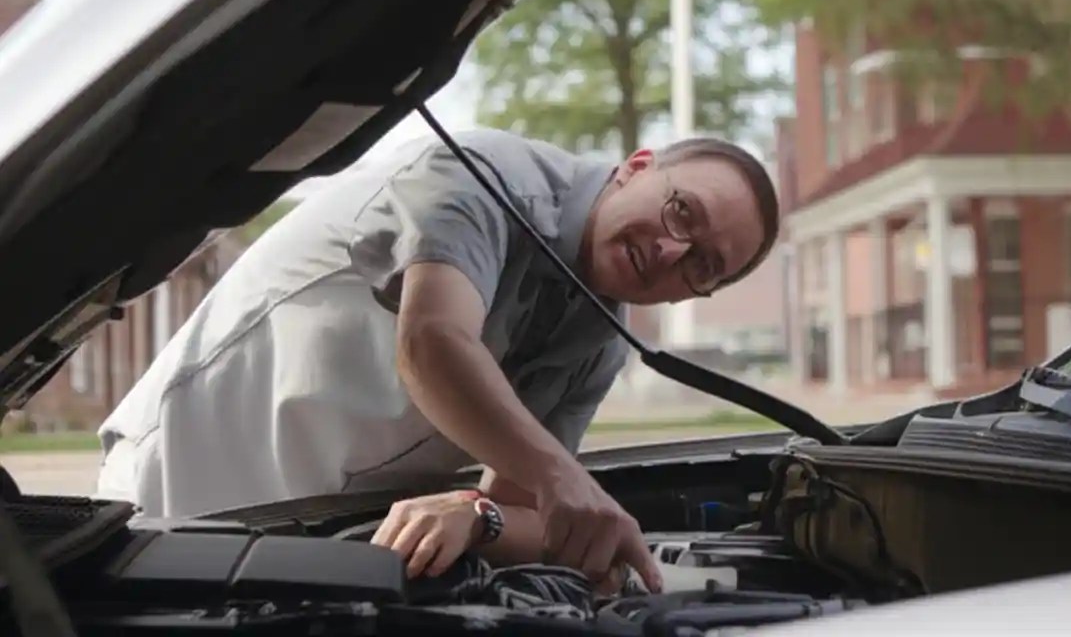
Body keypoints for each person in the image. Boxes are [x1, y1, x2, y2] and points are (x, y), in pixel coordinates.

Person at [94, 127, 779, 593]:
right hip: (172, 499)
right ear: (635, 167)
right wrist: (561, 478)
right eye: (681, 213)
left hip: (313, 556)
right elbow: (432, 345)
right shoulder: (481, 173)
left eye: (703, 265)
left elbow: (528, 514)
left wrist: (476, 517)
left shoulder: (598, 341)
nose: (669, 251)